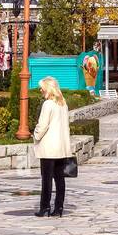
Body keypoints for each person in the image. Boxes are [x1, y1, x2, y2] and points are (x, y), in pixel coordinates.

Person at [32, 76, 72, 217]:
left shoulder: (48, 104)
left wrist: (35, 135)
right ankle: (59, 208)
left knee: (46, 179)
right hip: (61, 147)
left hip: (49, 147)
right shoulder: (63, 103)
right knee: (60, 179)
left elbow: (42, 126)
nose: (40, 91)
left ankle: (45, 207)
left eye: (41, 88)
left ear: (47, 88)